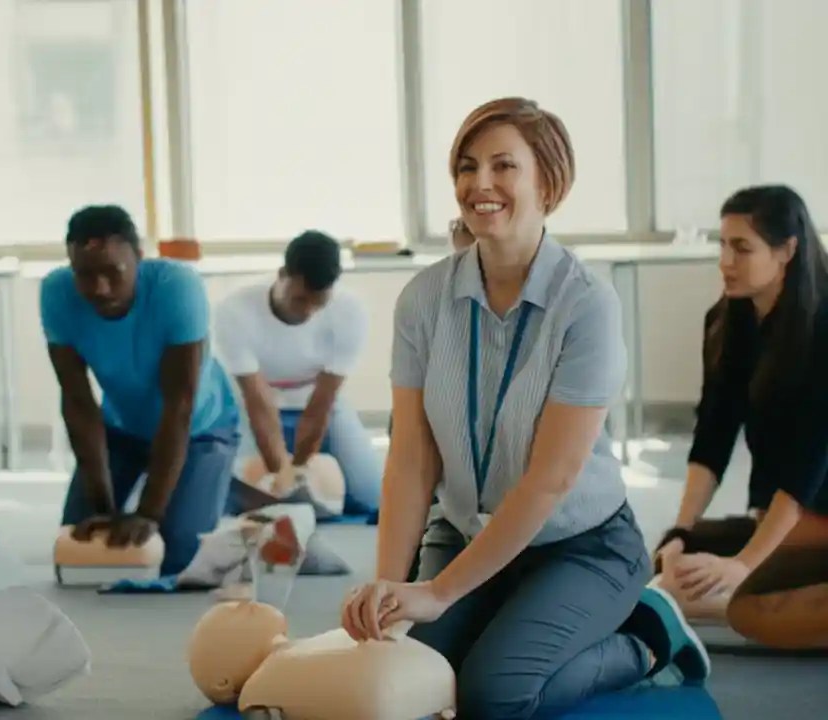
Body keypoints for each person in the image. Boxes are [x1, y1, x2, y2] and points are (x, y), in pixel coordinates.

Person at [339, 97, 709, 719]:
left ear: (548, 184)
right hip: (462, 536)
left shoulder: (587, 304)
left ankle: (647, 638)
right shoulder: (423, 300)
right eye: (467, 166)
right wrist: (391, 590)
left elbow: (550, 480)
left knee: (492, 695)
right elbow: (410, 462)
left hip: (580, 546)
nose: (479, 183)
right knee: (409, 677)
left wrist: (439, 593)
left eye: (503, 166)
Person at [656, 184, 828, 648]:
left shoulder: (822, 328)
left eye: (742, 248)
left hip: (815, 510)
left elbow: (805, 472)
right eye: (723, 245)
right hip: (781, 515)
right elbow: (713, 435)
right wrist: (681, 530)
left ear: (787, 251)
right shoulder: (729, 321)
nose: (725, 262)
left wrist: (743, 565)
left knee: (748, 611)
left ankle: (749, 596)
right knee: (672, 562)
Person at [41, 205, 240, 576]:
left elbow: (179, 405)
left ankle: (220, 488)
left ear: (139, 257)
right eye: (85, 275)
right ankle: (199, 489)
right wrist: (103, 508)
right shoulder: (56, 292)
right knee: (80, 548)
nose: (100, 289)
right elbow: (78, 402)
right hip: (124, 429)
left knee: (176, 554)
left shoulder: (176, 287)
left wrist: (149, 512)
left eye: (113, 272)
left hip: (199, 429)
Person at [214, 230, 380, 517]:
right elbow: (258, 403)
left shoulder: (349, 311)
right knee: (236, 496)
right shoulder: (234, 309)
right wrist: (281, 474)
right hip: (250, 407)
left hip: (315, 403)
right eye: (300, 300)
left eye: (319, 303)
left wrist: (300, 468)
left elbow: (322, 404)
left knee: (370, 497)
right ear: (282, 275)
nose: (308, 311)